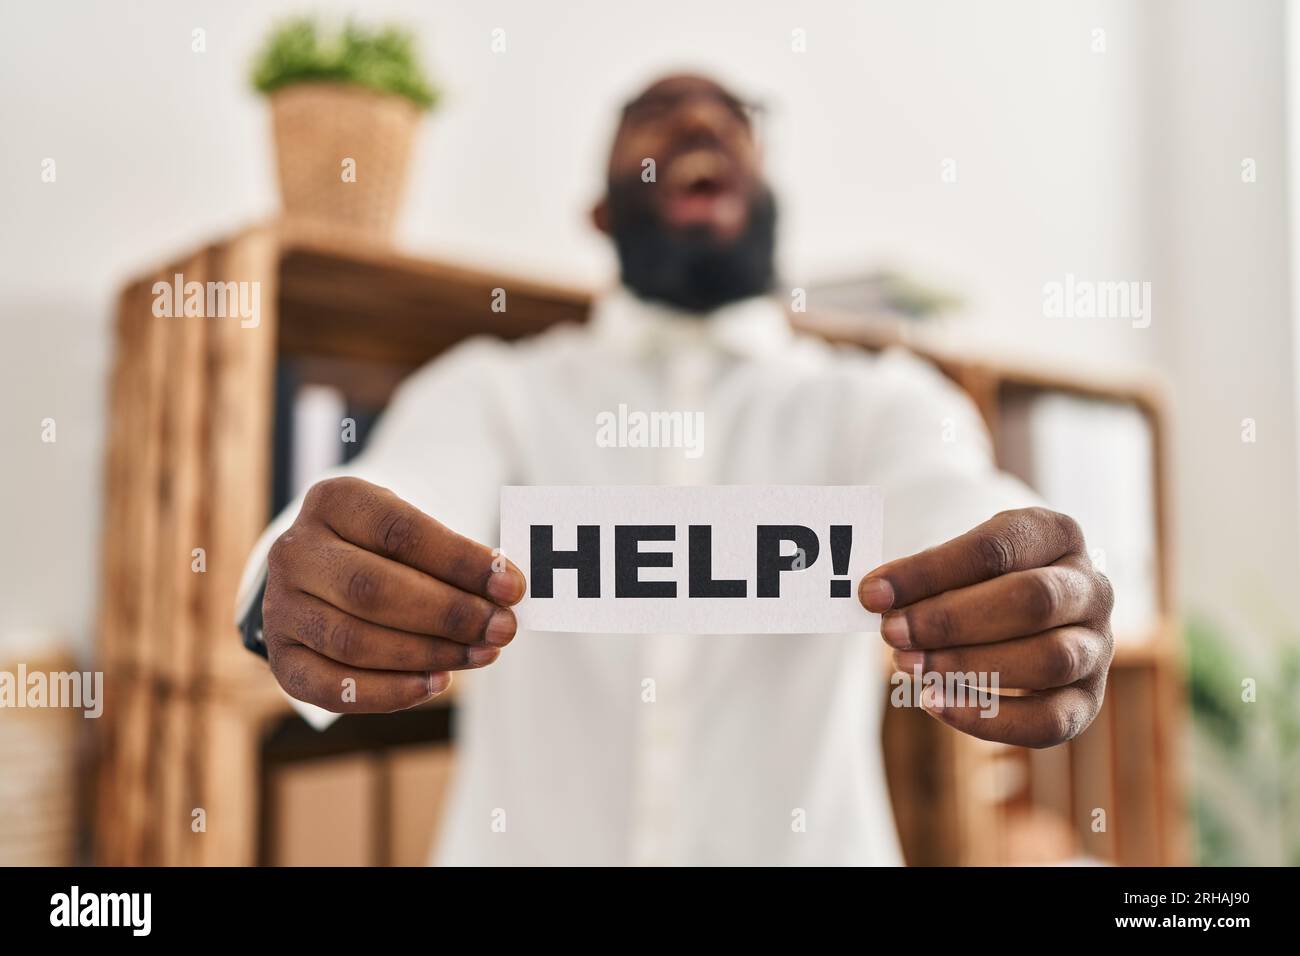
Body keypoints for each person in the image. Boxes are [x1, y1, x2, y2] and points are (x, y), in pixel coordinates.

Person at [235, 73, 1115, 865]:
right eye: (654, 116)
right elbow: (404, 491)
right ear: (602, 213)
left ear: (769, 194)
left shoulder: (882, 402)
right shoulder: (491, 390)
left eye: (735, 116)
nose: (699, 119)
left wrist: (1038, 580)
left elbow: (954, 502)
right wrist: (299, 579)